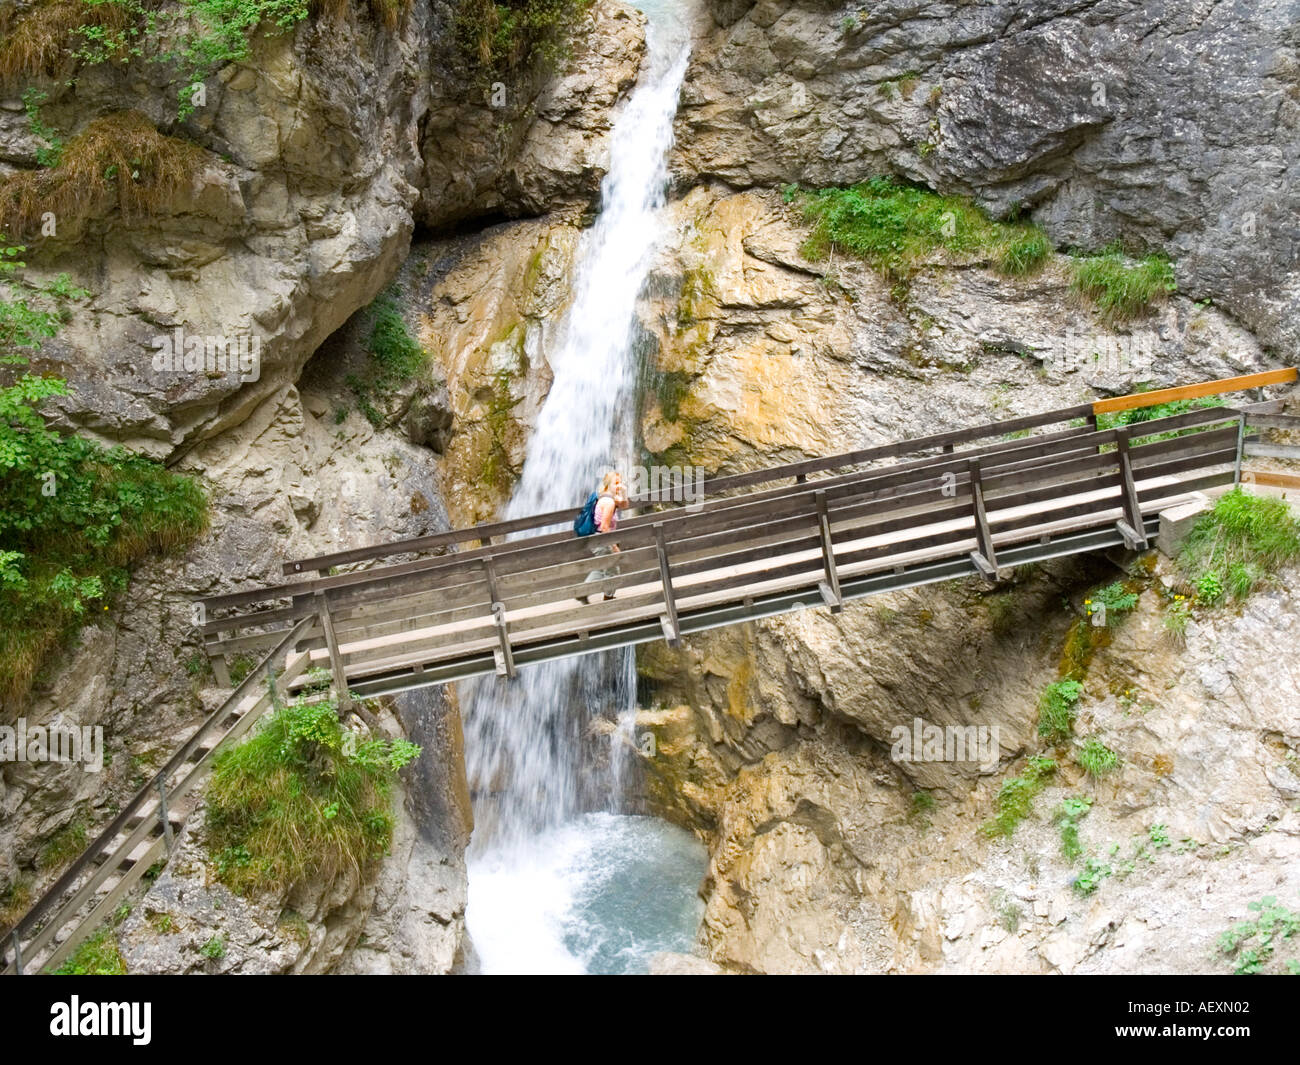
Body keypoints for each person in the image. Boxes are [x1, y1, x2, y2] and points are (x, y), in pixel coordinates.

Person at [581, 472, 628, 603]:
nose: (619, 485)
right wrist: (614, 546)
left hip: (597, 540)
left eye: (620, 482)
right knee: (613, 570)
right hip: (602, 540)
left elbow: (624, 505)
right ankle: (608, 598)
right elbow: (604, 527)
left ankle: (582, 591)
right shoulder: (608, 502)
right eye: (616, 483)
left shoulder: (608, 497)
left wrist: (623, 492)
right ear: (608, 485)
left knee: (602, 568)